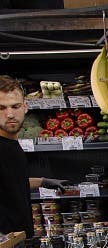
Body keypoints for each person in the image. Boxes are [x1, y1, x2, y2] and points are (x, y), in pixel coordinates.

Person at [0, 75, 65, 238]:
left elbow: (10, 181)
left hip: (20, 241)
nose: (10, 114)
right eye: (1, 108)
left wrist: (41, 182)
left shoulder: (11, 145)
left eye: (15, 106)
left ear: (25, 107)